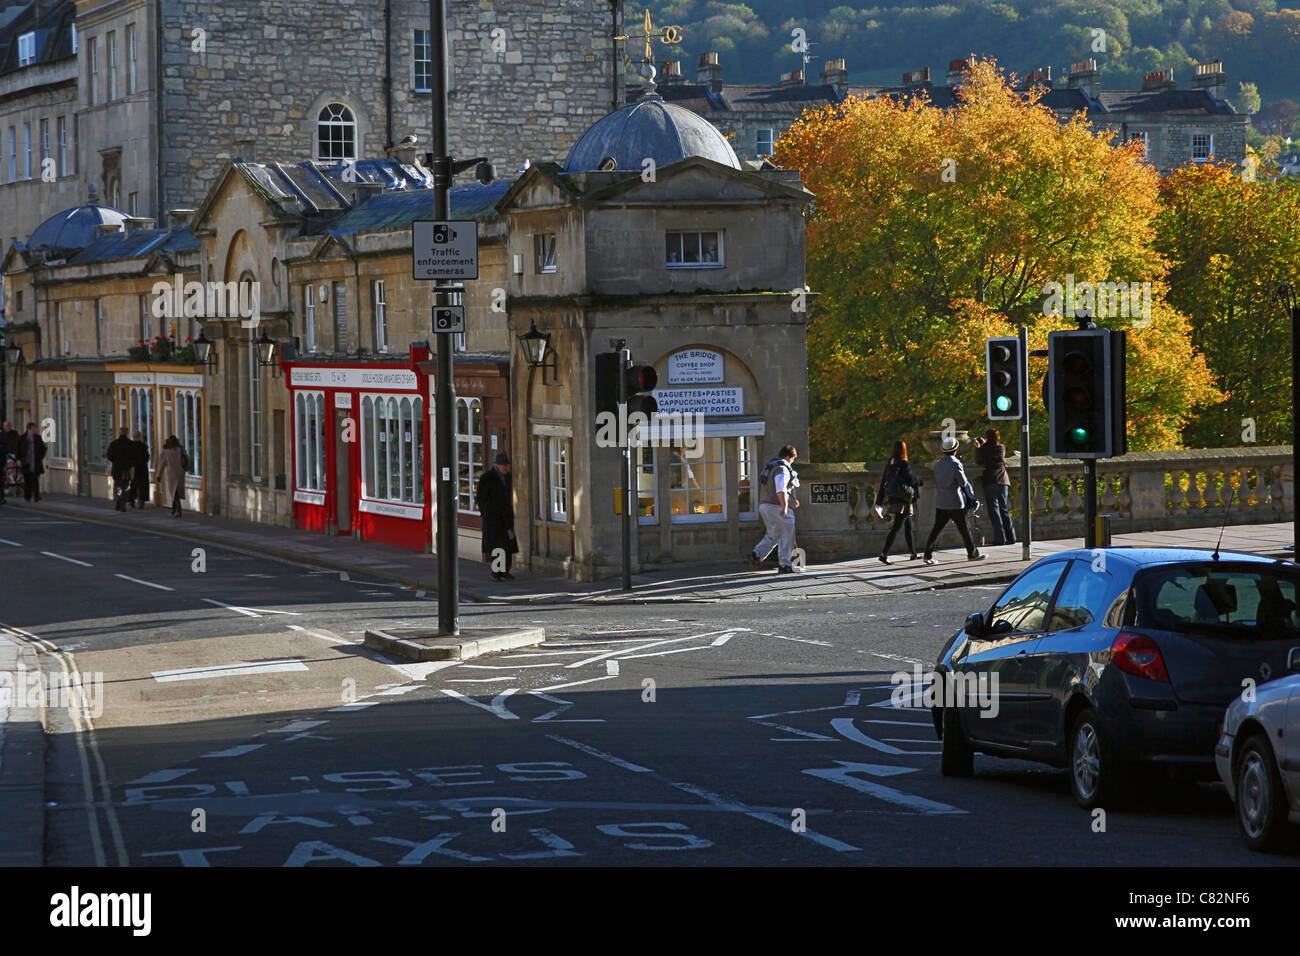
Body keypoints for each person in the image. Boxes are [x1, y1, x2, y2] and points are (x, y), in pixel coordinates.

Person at [922, 435, 985, 565]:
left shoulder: (938, 464)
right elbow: (964, 483)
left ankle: (927, 555)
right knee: (964, 530)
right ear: (955, 450)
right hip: (955, 502)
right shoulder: (956, 464)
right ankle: (972, 554)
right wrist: (972, 497)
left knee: (936, 529)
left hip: (941, 502)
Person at [750, 444, 800, 574]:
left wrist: (793, 500)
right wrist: (784, 507)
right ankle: (785, 565)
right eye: (793, 459)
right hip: (776, 506)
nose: (792, 462)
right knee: (787, 535)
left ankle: (757, 554)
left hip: (764, 506)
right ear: (789, 457)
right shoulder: (782, 469)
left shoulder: (770, 466)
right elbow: (781, 488)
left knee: (774, 533)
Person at [877, 440, 921, 563]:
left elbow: (883, 482)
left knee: (908, 526)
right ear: (904, 450)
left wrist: (879, 501)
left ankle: (913, 553)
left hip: (894, 497)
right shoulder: (903, 463)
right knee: (896, 528)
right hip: (903, 500)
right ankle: (884, 554)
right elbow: (910, 479)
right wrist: (919, 480)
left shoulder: (890, 463)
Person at [475, 452, 518, 581]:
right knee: (496, 546)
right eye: (504, 466)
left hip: (506, 517)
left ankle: (505, 571)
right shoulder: (487, 478)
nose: (506, 468)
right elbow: (480, 498)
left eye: (507, 465)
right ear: (497, 465)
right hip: (493, 518)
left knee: (507, 545)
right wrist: (486, 513)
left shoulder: (508, 477)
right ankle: (496, 572)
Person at [974, 428, 1016, 546]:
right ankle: (1011, 537)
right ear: (997, 437)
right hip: (1002, 480)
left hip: (990, 480)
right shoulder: (1001, 447)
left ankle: (1000, 538)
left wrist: (979, 447)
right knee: (1004, 509)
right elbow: (999, 459)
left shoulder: (984, 449)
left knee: (994, 511)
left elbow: (979, 461)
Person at [155, 435, 187, 517]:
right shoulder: (181, 449)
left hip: (171, 473)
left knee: (174, 492)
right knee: (176, 491)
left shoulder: (165, 452)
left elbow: (161, 464)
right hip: (180, 472)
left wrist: (159, 475)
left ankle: (178, 510)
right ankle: (173, 510)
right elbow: (186, 459)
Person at [106, 426, 135, 512]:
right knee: (126, 486)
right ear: (127, 433)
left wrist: (115, 461)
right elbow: (134, 457)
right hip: (127, 469)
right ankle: (123, 504)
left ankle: (118, 500)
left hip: (117, 468)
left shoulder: (114, 444)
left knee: (118, 485)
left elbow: (109, 456)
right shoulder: (130, 444)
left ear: (119, 433)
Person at [16, 422, 45, 502]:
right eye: (33, 429)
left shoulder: (38, 438)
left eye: (35, 429)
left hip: (35, 462)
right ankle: (27, 497)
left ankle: (36, 497)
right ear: (28, 429)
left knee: (35, 480)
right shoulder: (22, 438)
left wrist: (40, 457)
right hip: (26, 463)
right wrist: (18, 460)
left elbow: (43, 448)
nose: (34, 431)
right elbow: (17, 450)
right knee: (27, 480)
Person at [129, 431, 151, 508]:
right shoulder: (143, 446)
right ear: (140, 437)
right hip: (142, 467)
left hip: (133, 467)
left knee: (133, 484)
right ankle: (141, 501)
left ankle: (131, 500)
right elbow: (147, 457)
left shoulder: (130, 446)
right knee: (142, 485)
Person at [0, 420, 18, 504]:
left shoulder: (14, 434)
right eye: (7, 426)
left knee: (10, 476)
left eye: (9, 426)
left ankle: (3, 497)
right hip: (3, 460)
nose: (8, 427)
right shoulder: (1, 434)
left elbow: (18, 444)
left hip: (11, 457)